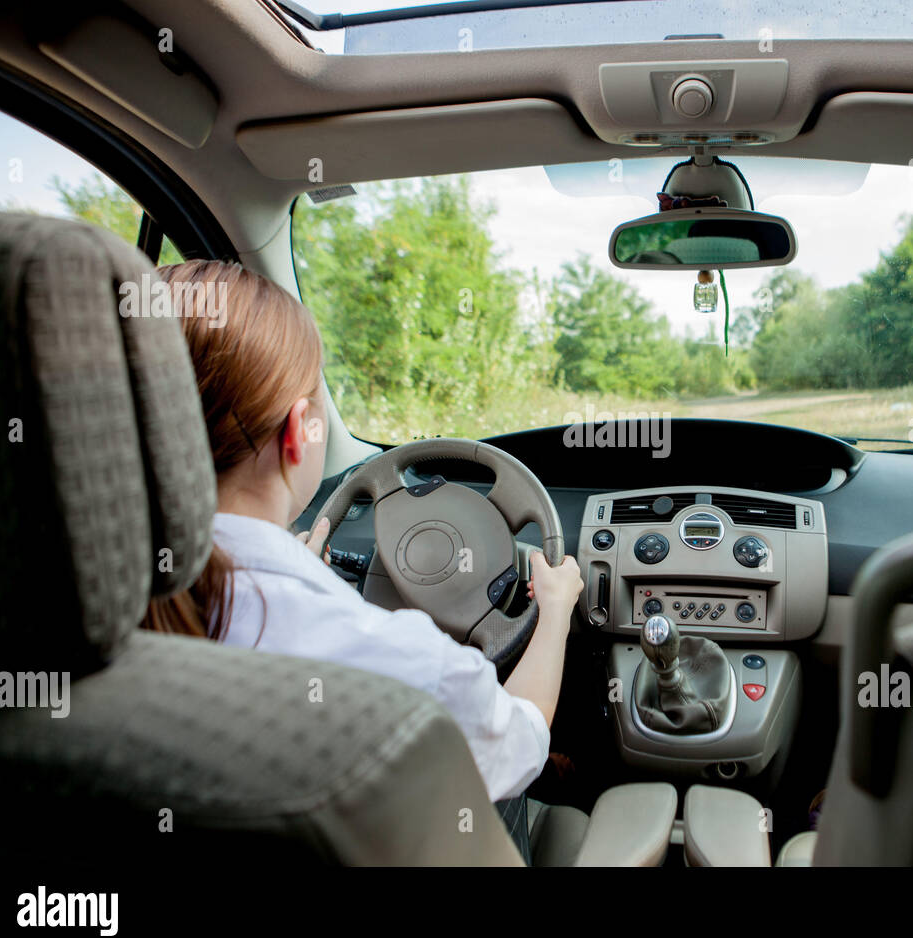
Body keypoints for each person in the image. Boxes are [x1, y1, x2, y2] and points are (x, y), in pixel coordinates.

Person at [142, 260, 583, 857]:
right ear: (300, 432)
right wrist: (554, 611)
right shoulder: (395, 661)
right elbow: (521, 740)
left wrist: (290, 571)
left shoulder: (70, 611)